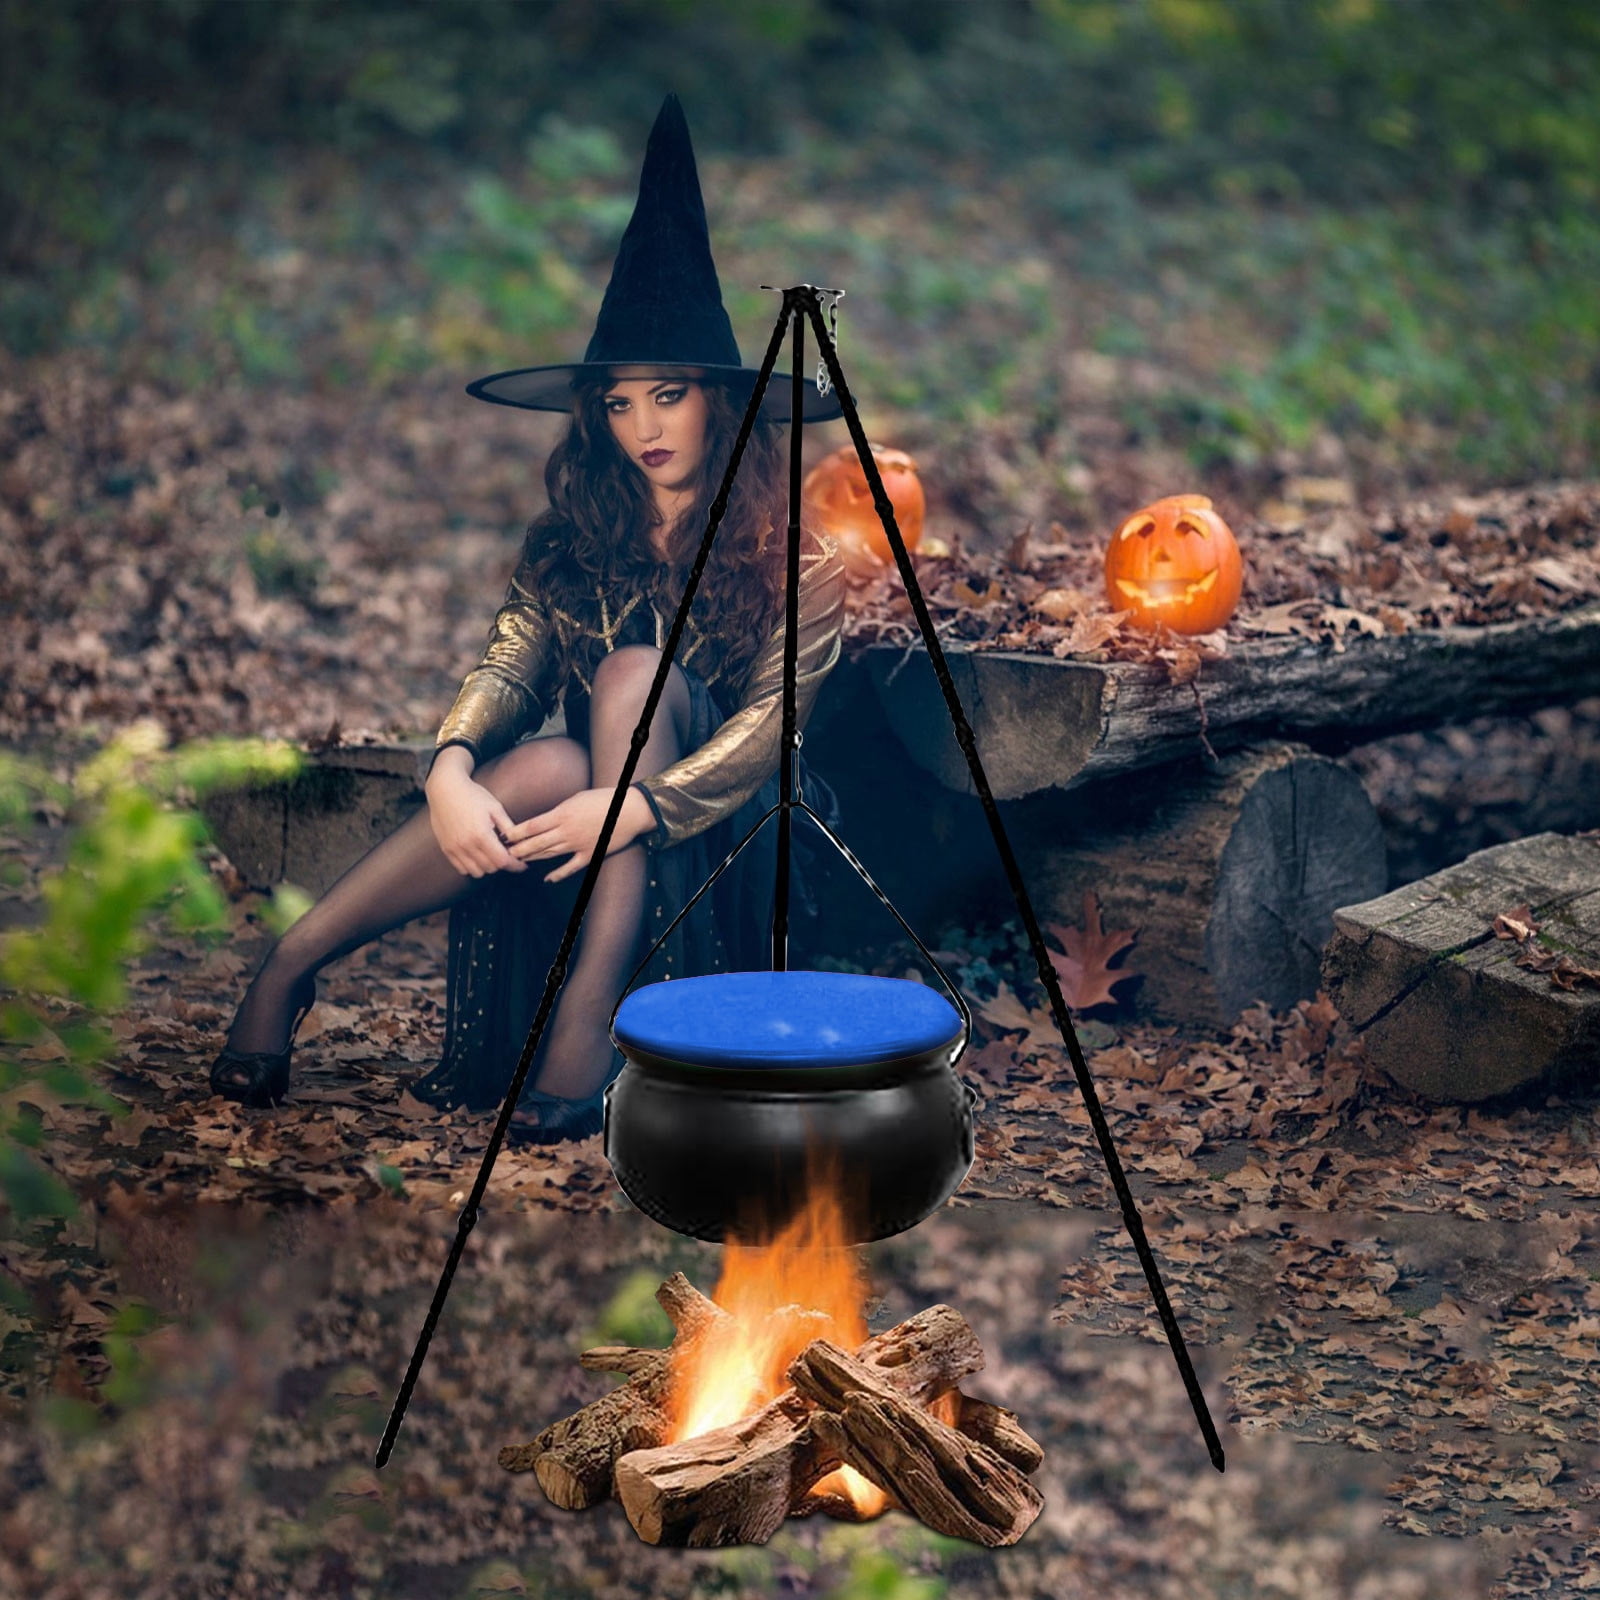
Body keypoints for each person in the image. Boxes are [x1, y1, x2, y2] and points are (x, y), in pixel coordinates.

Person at [208, 94, 847, 1143]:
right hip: (594, 816)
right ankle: (291, 963)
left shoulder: (799, 554)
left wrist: (638, 807)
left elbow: (771, 730)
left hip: (729, 835)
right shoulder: (571, 537)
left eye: (669, 394)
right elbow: (508, 665)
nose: (642, 425)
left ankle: (590, 1008)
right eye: (618, 401)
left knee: (632, 678)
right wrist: (453, 767)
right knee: (547, 765)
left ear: (718, 400)